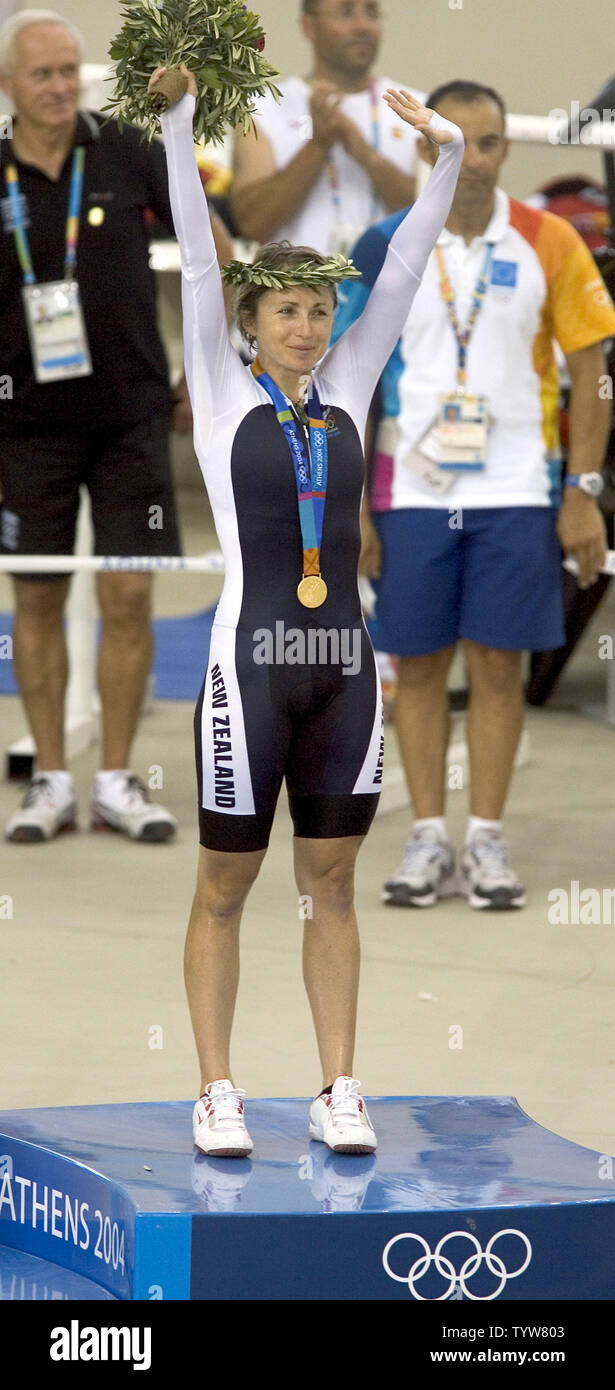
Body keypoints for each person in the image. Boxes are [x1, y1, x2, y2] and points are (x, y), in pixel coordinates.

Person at [149, 62, 463, 1155]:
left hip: (343, 668)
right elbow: (197, 253)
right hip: (249, 668)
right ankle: (218, 1086)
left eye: (320, 308)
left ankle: (338, 1086)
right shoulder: (223, 381)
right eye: (286, 309)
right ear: (249, 318)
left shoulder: (352, 378)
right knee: (227, 884)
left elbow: (412, 259)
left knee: (332, 882)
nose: (307, 327)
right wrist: (182, 119)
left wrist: (450, 156)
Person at [334, 79, 615, 911]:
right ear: (425, 146)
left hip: (517, 492)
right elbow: (349, 380)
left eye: (490, 143)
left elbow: (593, 374)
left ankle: (486, 838)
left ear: (503, 149)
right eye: (459, 141)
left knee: (498, 670)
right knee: (417, 671)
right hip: (409, 495)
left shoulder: (551, 240)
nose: (477, 159)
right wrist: (352, 504)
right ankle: (427, 836)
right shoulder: (382, 245)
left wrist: (583, 492)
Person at [0, 9, 191, 844]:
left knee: (128, 592)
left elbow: (208, 242)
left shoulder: (125, 146)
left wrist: (212, 366)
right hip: (22, 426)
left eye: (69, 70)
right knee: (36, 598)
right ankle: (49, 777)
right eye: (41, 74)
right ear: (8, 87)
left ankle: (115, 778)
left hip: (130, 418)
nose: (59, 86)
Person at [230, 0, 423, 255]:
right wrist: (317, 146)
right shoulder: (261, 107)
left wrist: (368, 157)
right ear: (309, 26)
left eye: (372, 12)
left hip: (392, 289)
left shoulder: (418, 108)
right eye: (345, 12)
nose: (363, 26)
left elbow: (435, 222)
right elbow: (253, 224)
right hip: (296, 289)